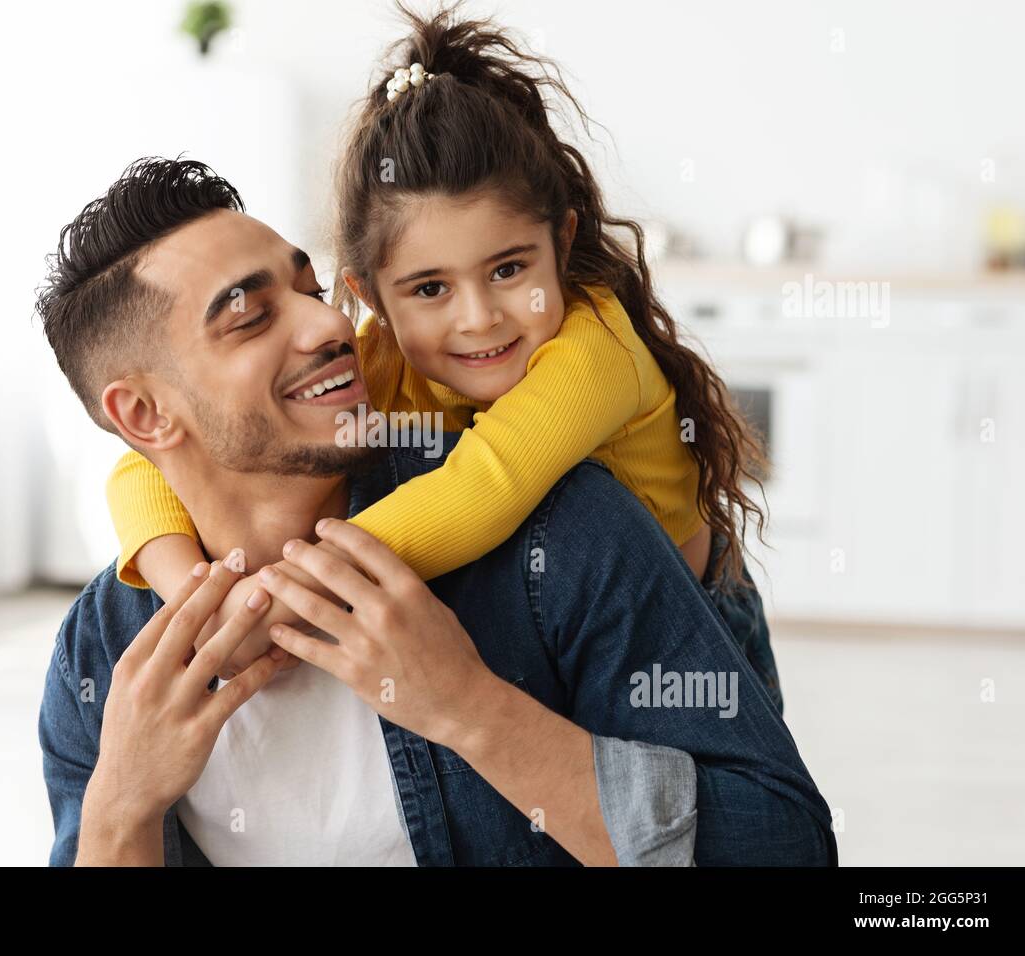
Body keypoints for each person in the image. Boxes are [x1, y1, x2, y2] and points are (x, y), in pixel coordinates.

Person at [35, 155, 836, 866]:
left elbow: (788, 845)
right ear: (143, 416)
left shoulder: (557, 532)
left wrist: (471, 710)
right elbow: (133, 482)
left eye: (310, 287)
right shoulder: (102, 658)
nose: (331, 325)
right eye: (251, 318)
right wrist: (118, 809)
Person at [101, 9, 783, 712]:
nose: (479, 317)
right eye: (430, 288)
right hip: (545, 634)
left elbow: (486, 486)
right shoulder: (383, 361)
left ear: (562, 241)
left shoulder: (595, 347)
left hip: (679, 636)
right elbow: (146, 461)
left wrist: (269, 607)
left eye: (509, 269)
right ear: (372, 297)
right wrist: (192, 594)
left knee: (703, 816)